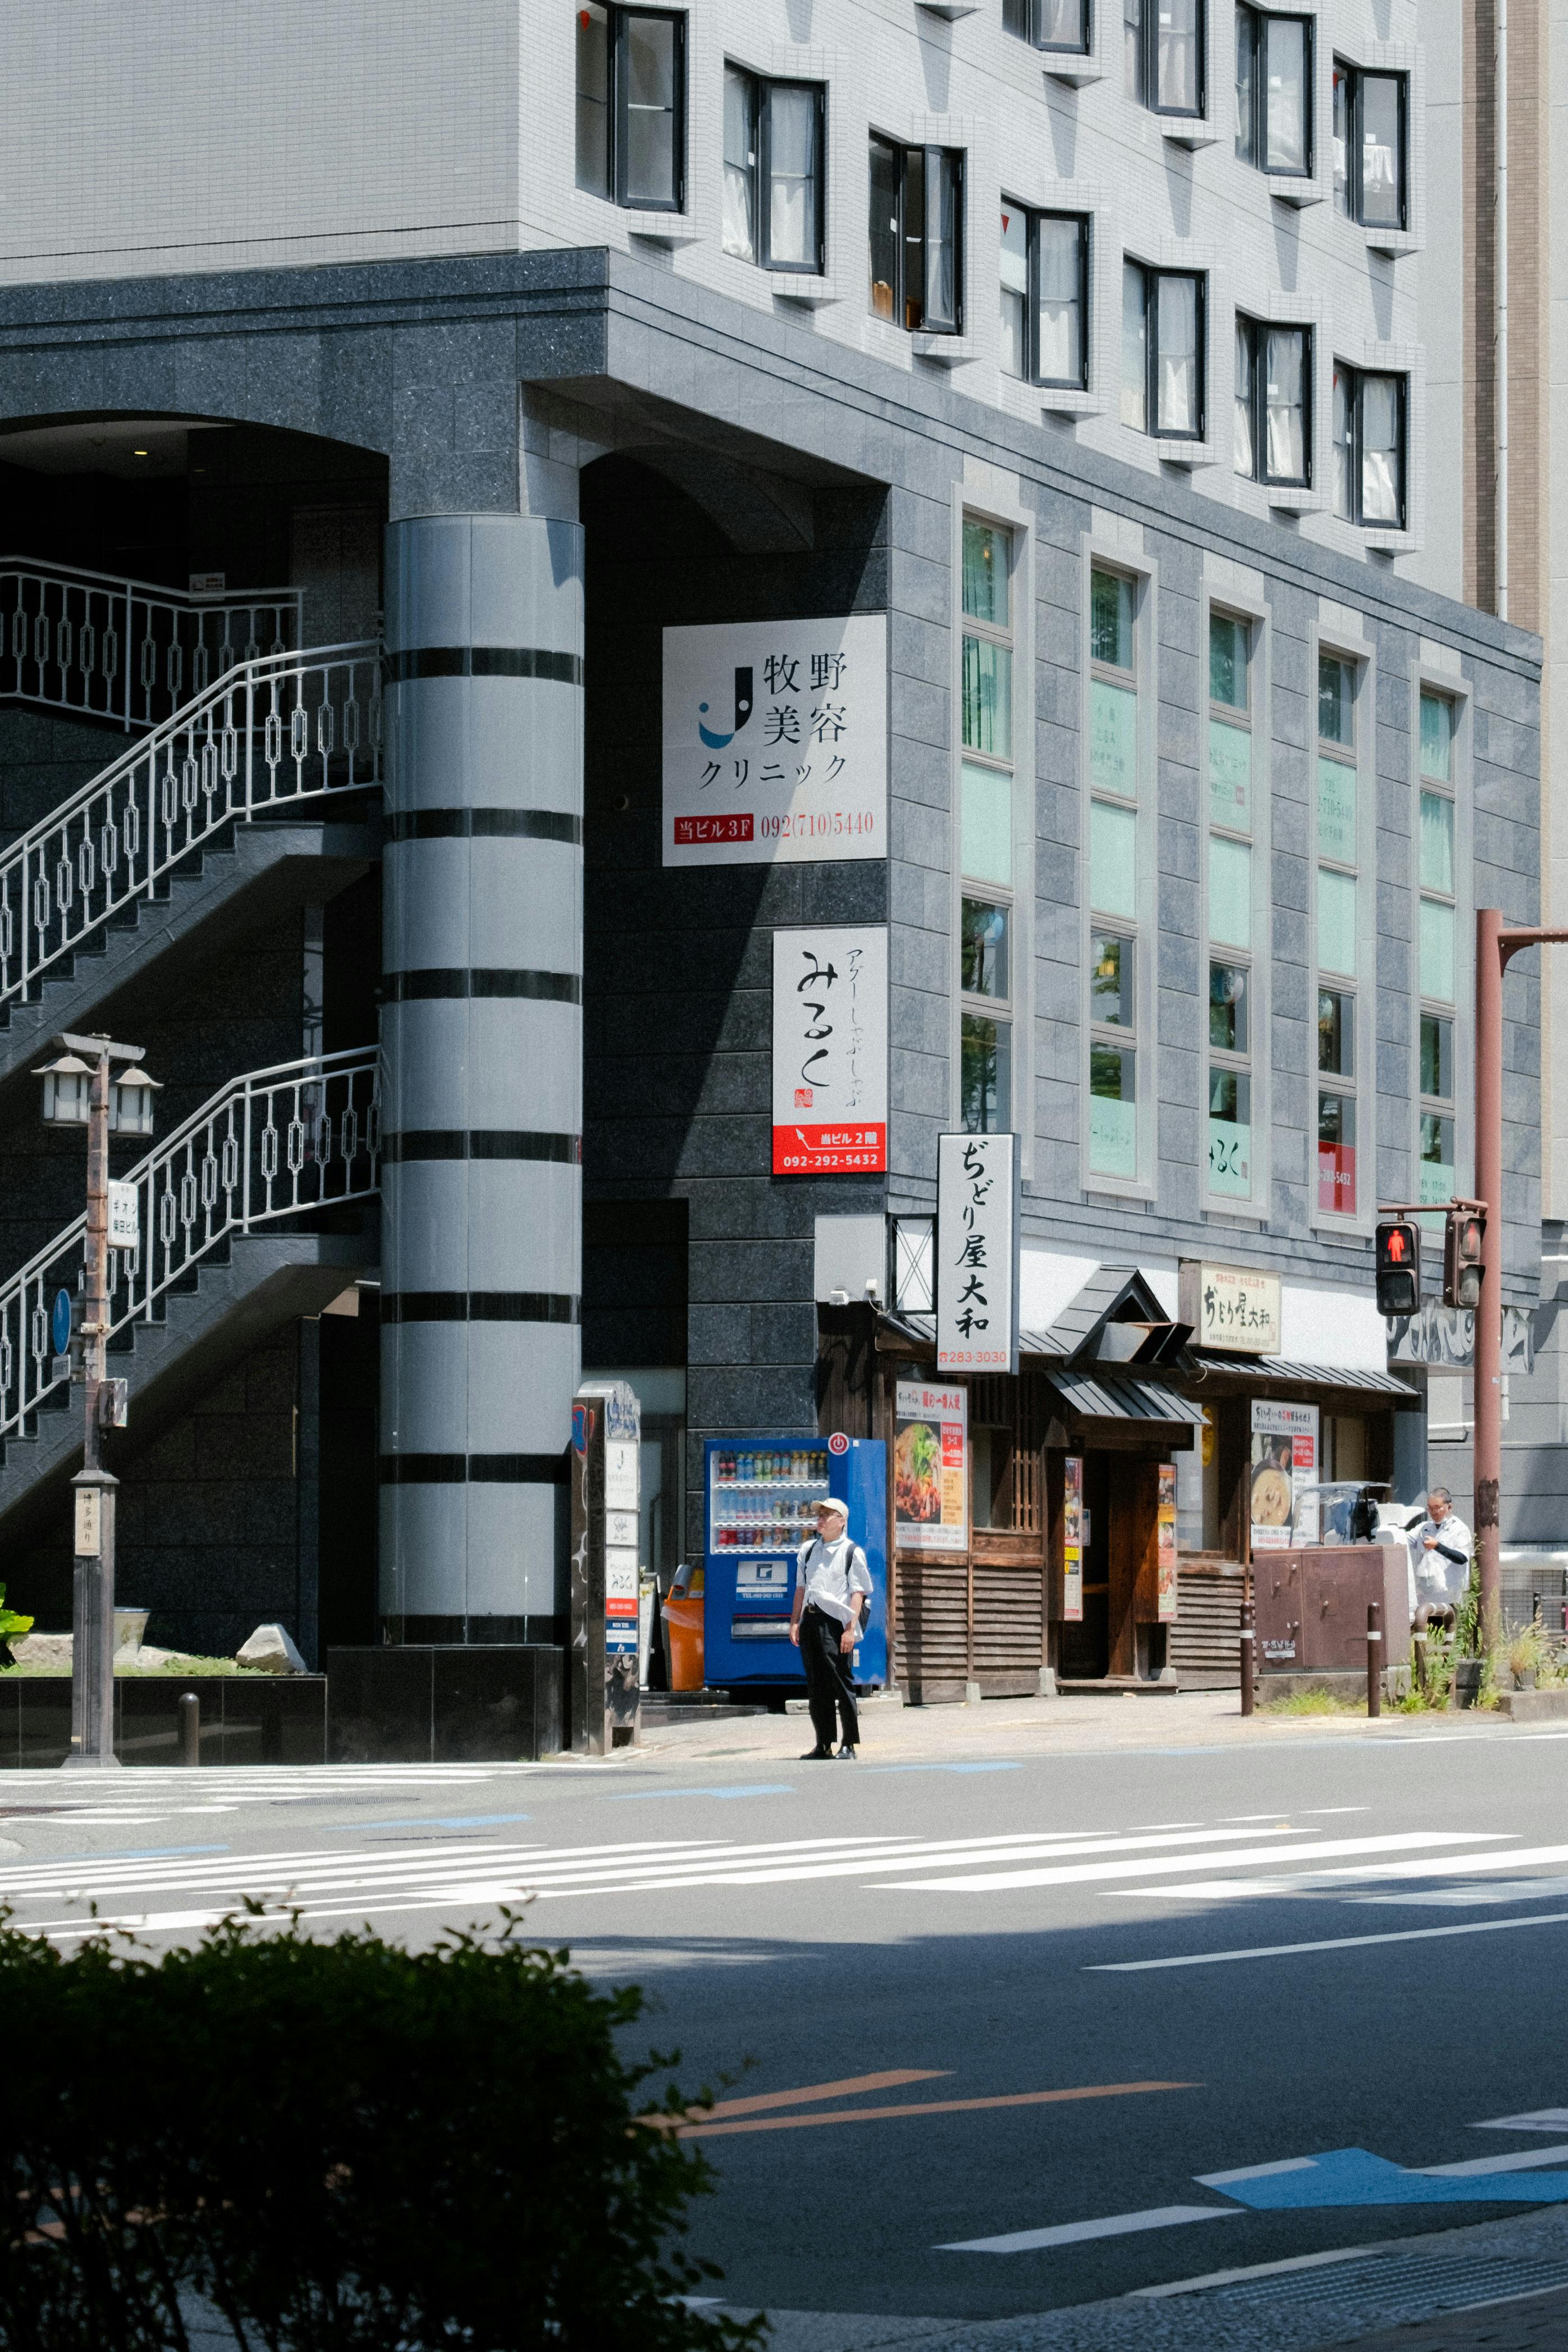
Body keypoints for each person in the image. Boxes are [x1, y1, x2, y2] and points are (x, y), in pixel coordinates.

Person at [789, 1496, 871, 1760]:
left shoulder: (851, 1552)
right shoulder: (809, 1550)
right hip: (812, 1620)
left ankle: (849, 1743)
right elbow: (801, 1588)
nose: (820, 1519)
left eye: (827, 1515)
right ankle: (823, 1743)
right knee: (816, 1685)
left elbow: (857, 1593)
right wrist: (795, 1621)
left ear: (842, 1522)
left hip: (837, 1622)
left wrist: (850, 1630)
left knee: (840, 1682)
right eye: (819, 1515)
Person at [1404, 1486, 1472, 1623]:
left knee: (1449, 1639)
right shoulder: (1424, 1528)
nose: (1433, 1512)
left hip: (1451, 1599)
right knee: (1426, 1637)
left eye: (1438, 1508)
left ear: (1449, 1507)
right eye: (1430, 1508)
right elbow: (1404, 1540)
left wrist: (1437, 1546)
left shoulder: (1459, 1529)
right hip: (1426, 1598)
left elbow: (1462, 1558)